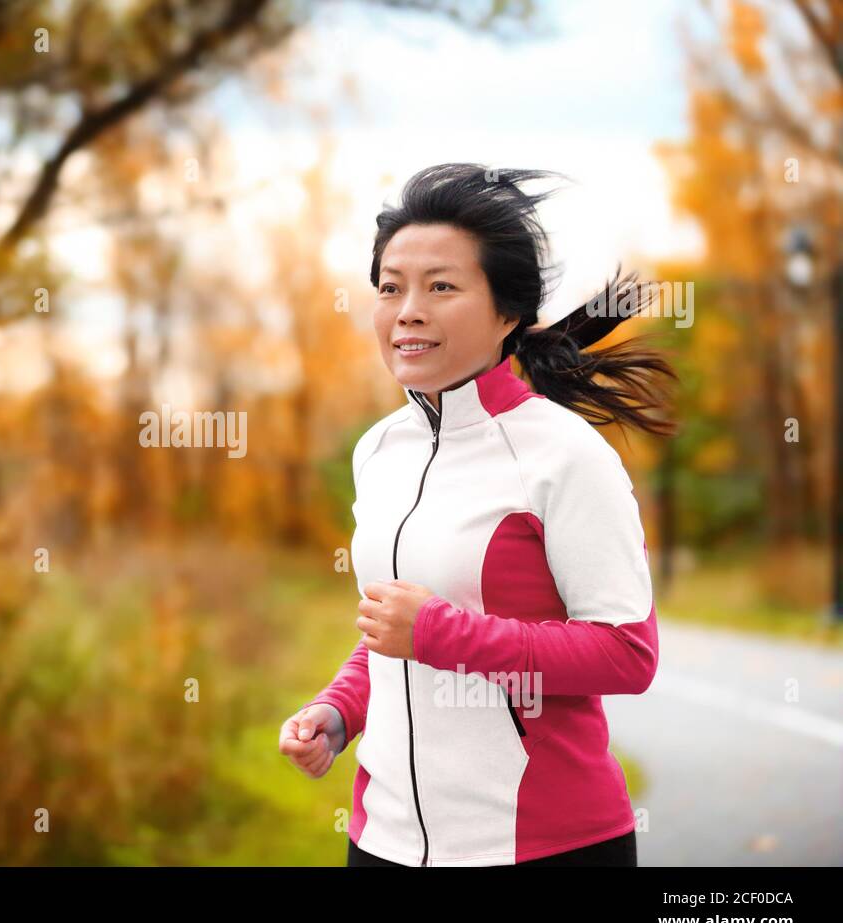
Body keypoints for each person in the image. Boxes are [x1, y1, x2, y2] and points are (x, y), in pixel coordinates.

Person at [278, 163, 679, 867]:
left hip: (543, 843)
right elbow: (392, 629)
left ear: (507, 313)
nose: (407, 310)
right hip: (383, 840)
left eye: (441, 286)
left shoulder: (562, 454)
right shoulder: (378, 451)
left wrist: (441, 632)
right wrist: (338, 712)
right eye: (390, 287)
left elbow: (628, 655)